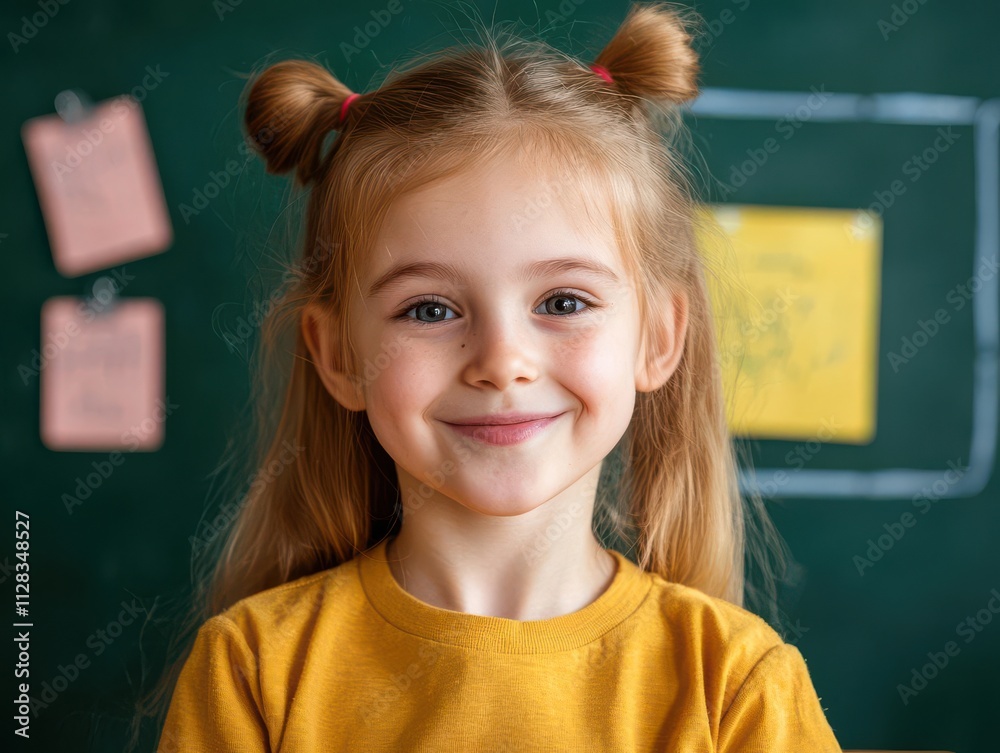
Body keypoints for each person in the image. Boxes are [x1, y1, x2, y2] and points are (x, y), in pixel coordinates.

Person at [152, 2, 843, 750]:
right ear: (337, 355)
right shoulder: (254, 670)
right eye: (428, 309)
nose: (502, 361)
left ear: (659, 336)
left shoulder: (737, 684)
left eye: (564, 301)